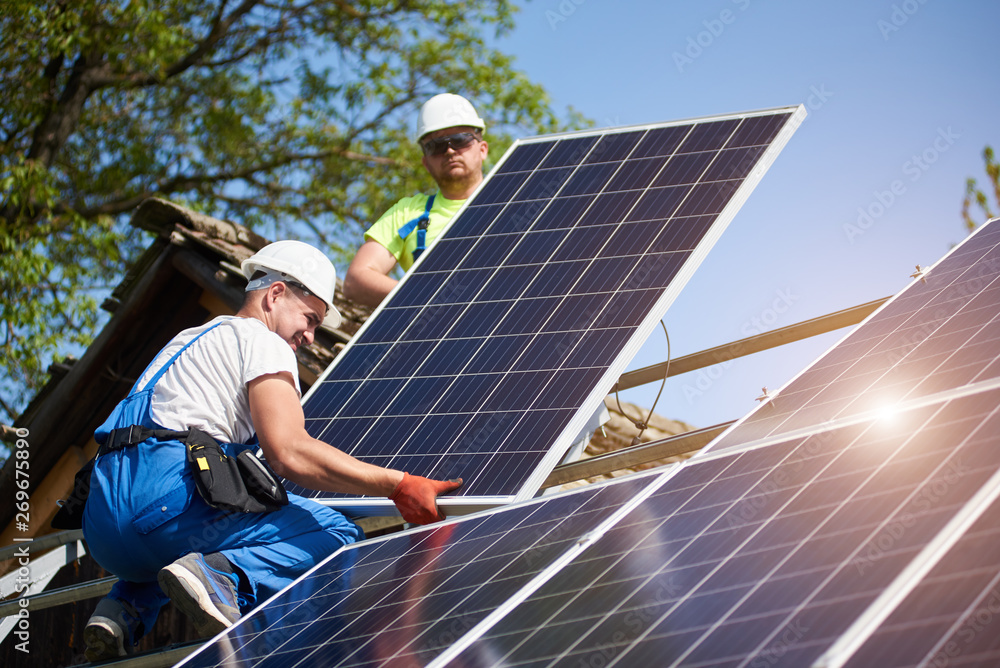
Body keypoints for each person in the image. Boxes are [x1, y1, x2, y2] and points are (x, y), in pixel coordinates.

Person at [81, 240, 461, 661]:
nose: (312, 337)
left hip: (103, 525)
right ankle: (221, 579)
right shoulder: (262, 342)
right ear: (276, 293)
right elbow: (289, 452)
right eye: (310, 318)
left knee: (200, 523)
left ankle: (124, 609)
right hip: (164, 505)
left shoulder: (187, 341)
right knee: (336, 533)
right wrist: (398, 484)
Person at [343, 93, 488, 307]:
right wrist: (426, 299)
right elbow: (357, 280)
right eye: (436, 146)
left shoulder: (520, 202)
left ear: (482, 149)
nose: (449, 150)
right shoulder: (407, 213)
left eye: (460, 140)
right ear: (426, 163)